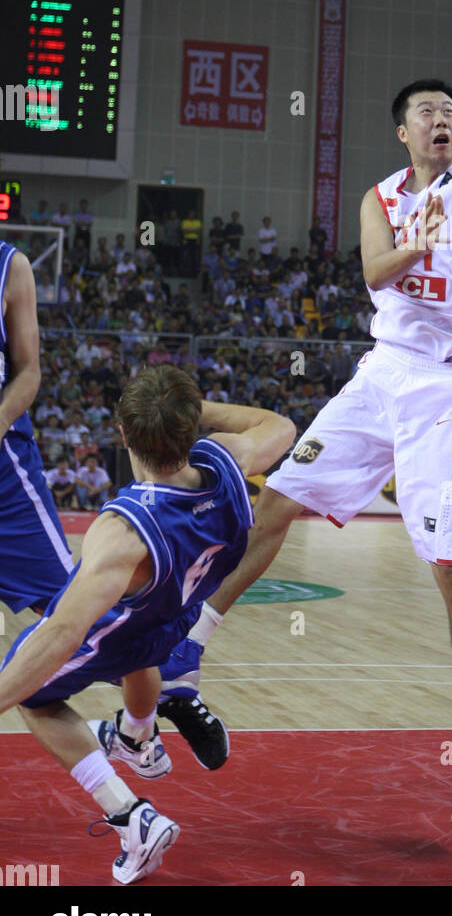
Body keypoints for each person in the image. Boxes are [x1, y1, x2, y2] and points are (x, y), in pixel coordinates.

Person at [155, 0, 452, 831]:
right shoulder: (383, 197)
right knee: (273, 506)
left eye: (450, 109)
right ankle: (187, 656)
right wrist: (416, 243)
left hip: (448, 385)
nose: (442, 119)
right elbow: (373, 271)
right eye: (427, 111)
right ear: (402, 130)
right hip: (382, 374)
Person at [0, 365, 295, 884]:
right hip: (175, 618)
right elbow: (281, 427)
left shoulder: (122, 531)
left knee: (33, 697)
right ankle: (137, 737)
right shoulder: (227, 464)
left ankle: (129, 815)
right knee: (146, 651)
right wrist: (186, 410)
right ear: (192, 427)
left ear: (123, 435)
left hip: (121, 631)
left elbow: (60, 635)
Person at [0, 242, 75, 614]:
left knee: (70, 611)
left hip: (3, 467)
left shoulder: (10, 266)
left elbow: (28, 371)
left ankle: (169, 667)